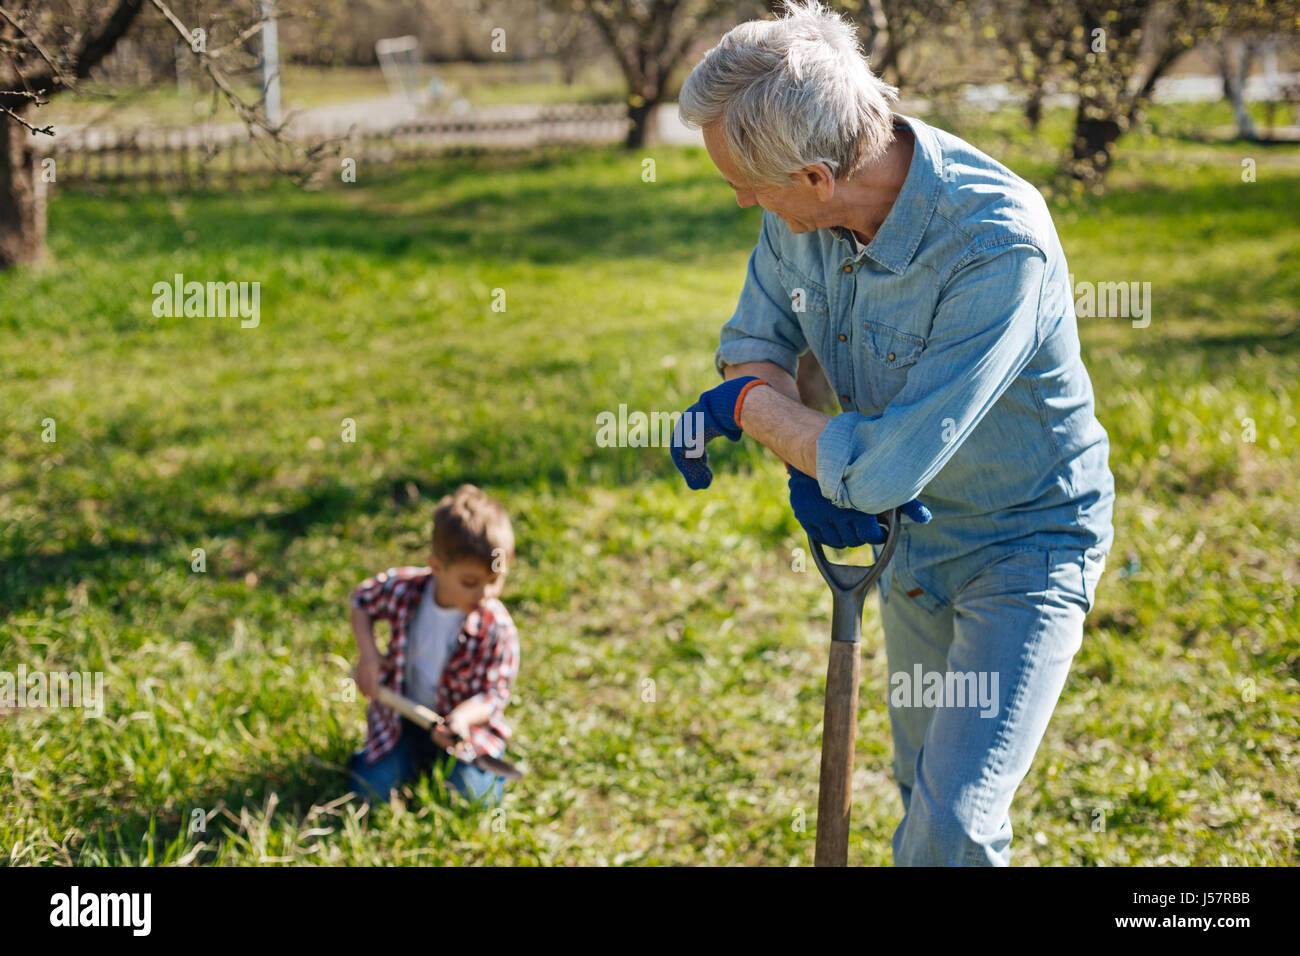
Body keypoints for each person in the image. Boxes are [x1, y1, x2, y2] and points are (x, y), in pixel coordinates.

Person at [669, 0, 1113, 865]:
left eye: (745, 183)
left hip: (1023, 546)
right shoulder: (798, 212)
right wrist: (807, 454)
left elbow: (875, 472)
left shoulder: (996, 247)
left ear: (816, 177)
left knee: (952, 826)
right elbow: (755, 344)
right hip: (910, 550)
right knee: (920, 796)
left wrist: (757, 418)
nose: (737, 197)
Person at [347, 484, 519, 808]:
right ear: (436, 567)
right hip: (404, 720)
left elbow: (494, 694)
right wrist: (368, 655)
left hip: (461, 733)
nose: (484, 593)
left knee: (473, 799)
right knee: (369, 793)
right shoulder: (405, 591)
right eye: (470, 582)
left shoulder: (496, 627)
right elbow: (361, 600)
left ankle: (469, 771)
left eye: (495, 580)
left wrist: (461, 720)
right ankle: (396, 760)